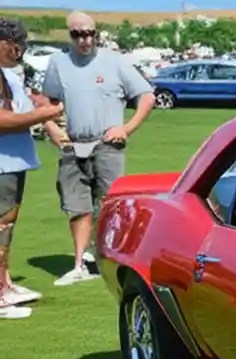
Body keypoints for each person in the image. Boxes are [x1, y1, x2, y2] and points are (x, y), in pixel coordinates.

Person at [41, 11, 154, 287]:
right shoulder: (58, 63)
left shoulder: (115, 62)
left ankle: (108, 258)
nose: (85, 39)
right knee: (77, 206)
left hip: (107, 145)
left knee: (111, 205)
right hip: (73, 144)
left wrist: (126, 128)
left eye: (90, 33)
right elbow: (47, 102)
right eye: (78, 34)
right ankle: (79, 264)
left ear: (97, 33)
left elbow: (147, 96)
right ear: (70, 35)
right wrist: (52, 128)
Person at [0, 18, 63, 319]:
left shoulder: (8, 73)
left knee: (7, 227)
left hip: (12, 162)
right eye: (15, 44)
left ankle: (4, 283)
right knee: (0, 227)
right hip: (1, 164)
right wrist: (45, 114)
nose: (19, 50)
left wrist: (48, 119)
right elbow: (2, 121)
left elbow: (22, 105)